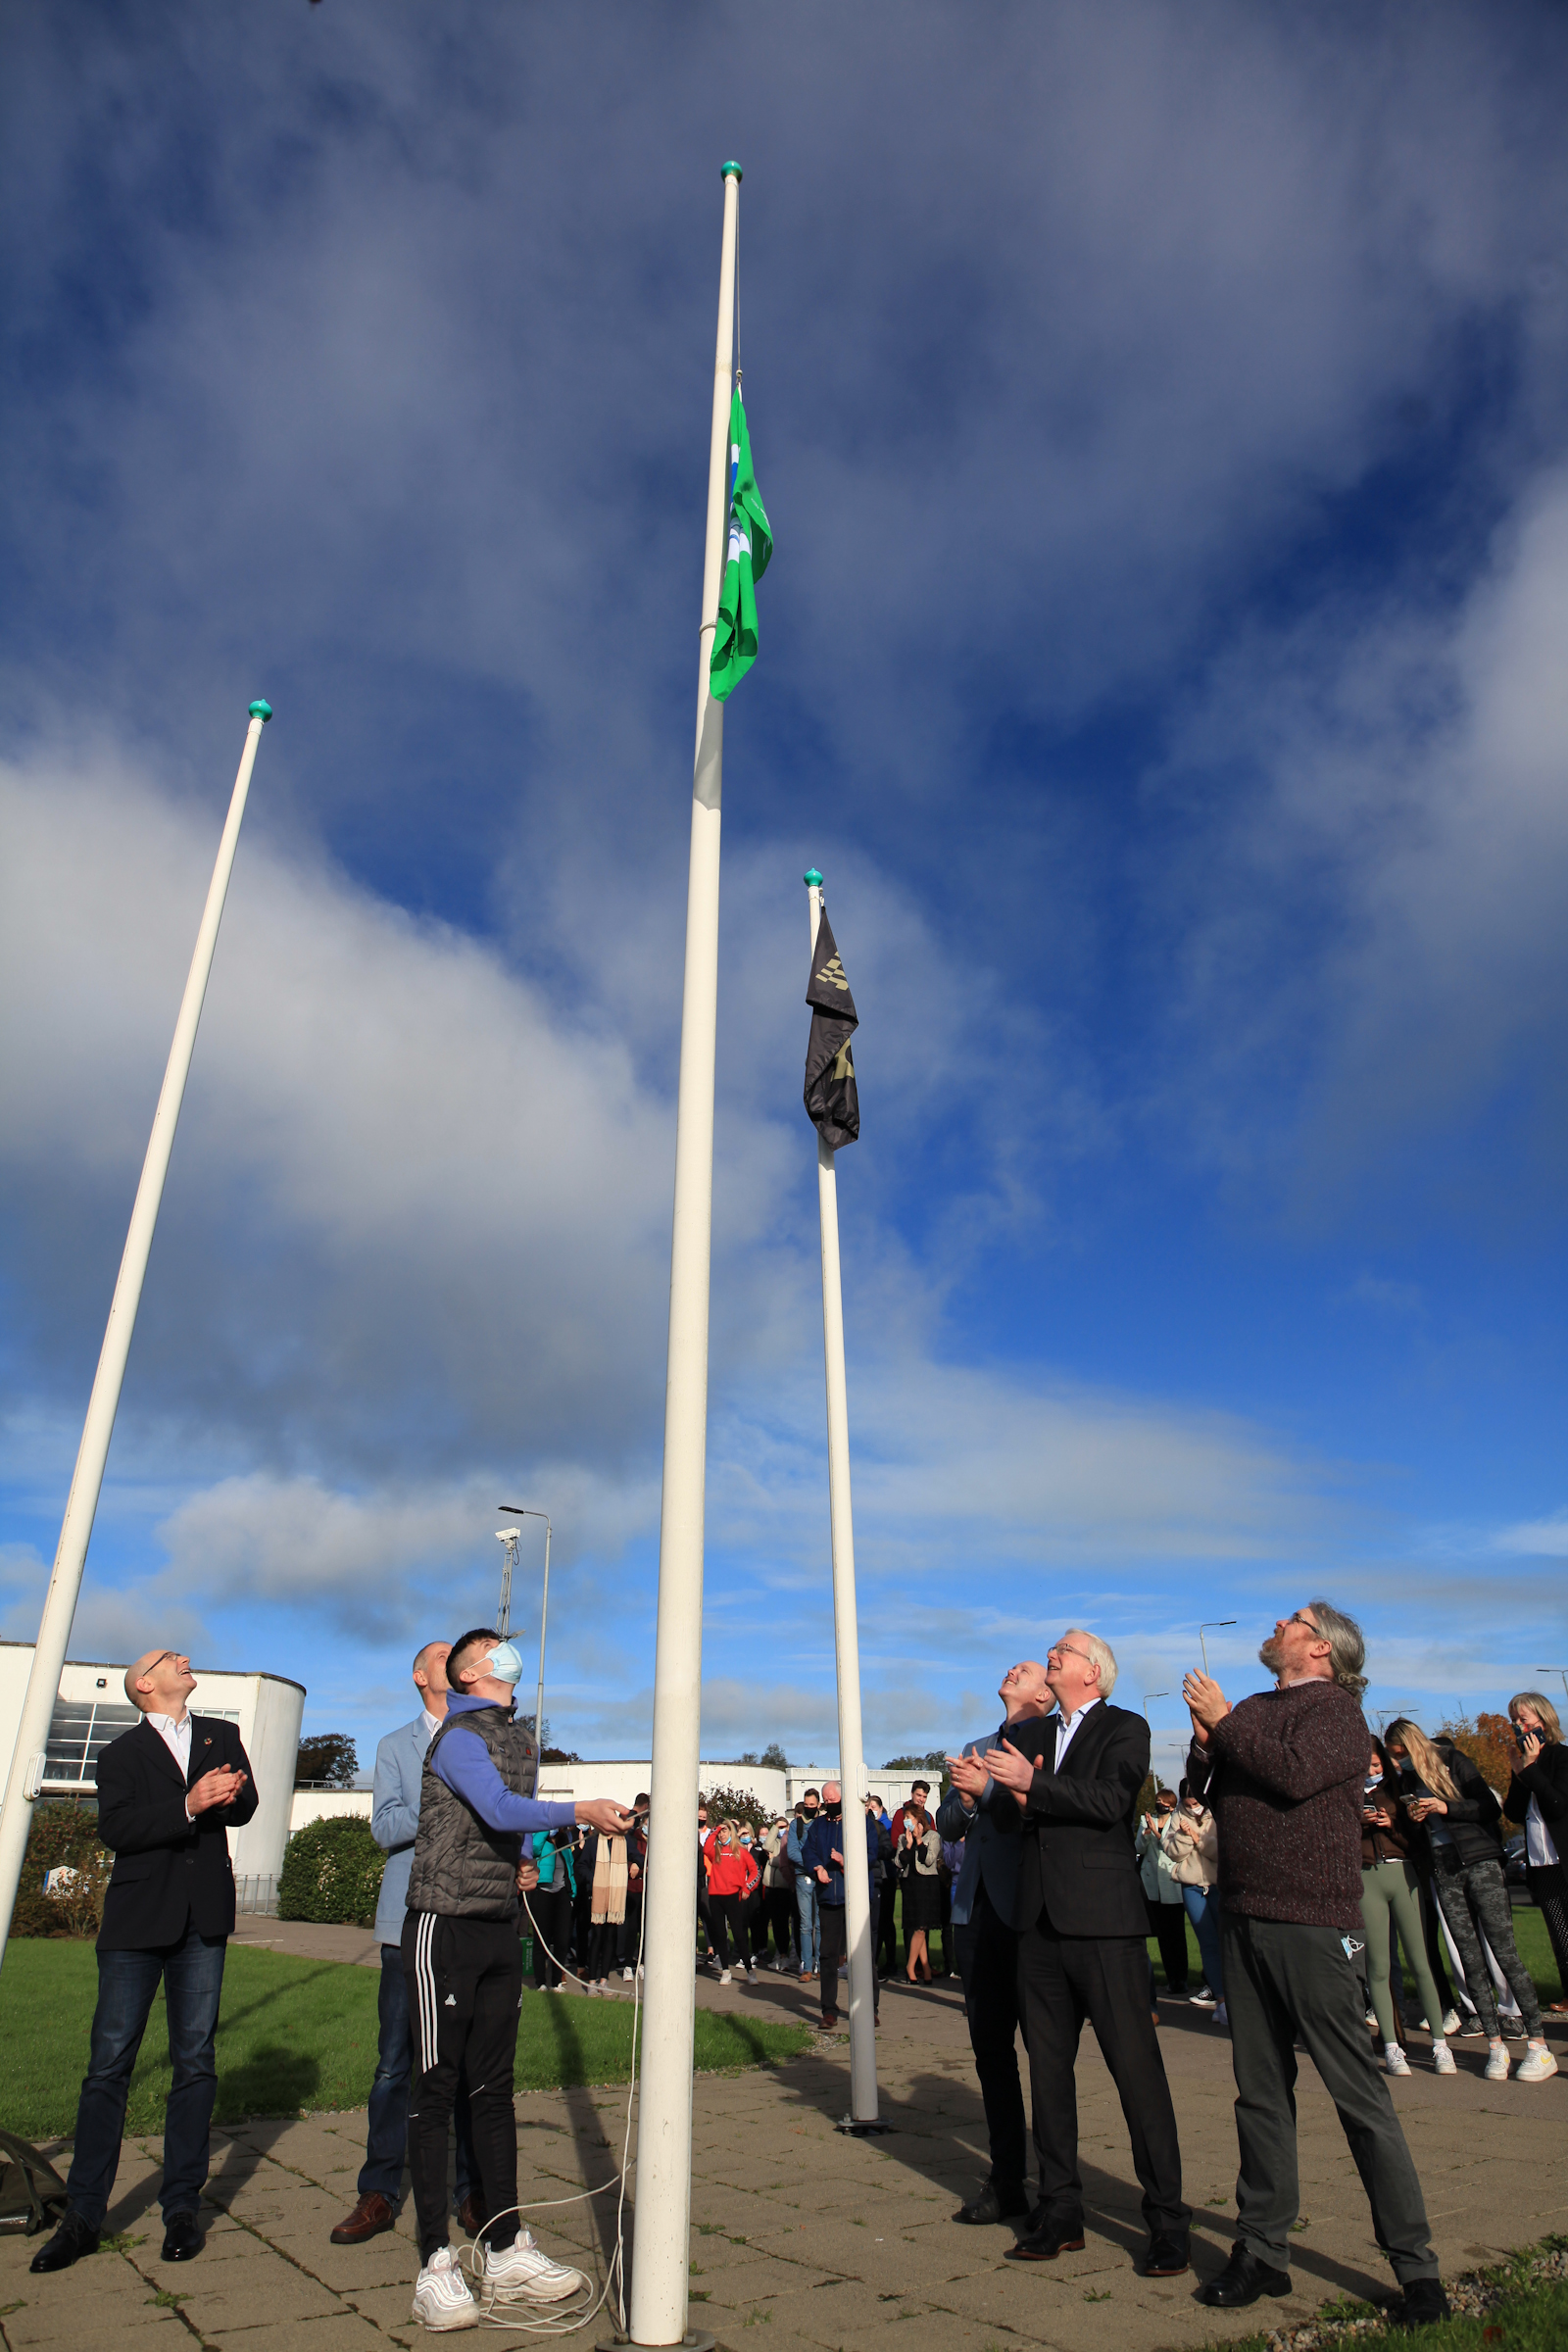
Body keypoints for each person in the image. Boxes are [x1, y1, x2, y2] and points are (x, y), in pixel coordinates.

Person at [1183, 1602, 1447, 2328]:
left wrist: (1227, 1722)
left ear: (1323, 1650)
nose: (1279, 1623)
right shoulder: (1260, 1707)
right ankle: (1262, 2251)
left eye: (1294, 1619)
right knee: (1260, 2095)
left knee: (1357, 2095)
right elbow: (1203, 1790)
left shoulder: (1337, 1712)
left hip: (1313, 1924)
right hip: (1244, 1916)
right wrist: (1207, 1744)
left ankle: (1416, 2268)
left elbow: (1296, 1776)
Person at [401, 1626, 633, 2330]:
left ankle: (504, 2246)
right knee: (437, 2087)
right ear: (471, 1672)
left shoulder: (518, 1737)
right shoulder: (461, 1735)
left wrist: (522, 1864)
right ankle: (435, 2263)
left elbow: (502, 1830)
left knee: (492, 2088)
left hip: (499, 1923)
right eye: (495, 1648)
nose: (508, 1653)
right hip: (445, 1926)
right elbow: (498, 1808)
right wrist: (578, 1811)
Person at [30, 1647, 259, 2275]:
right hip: (136, 1926)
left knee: (195, 2063)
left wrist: (228, 1795)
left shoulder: (223, 1735)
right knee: (109, 2067)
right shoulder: (119, 1755)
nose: (184, 1657)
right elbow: (119, 1830)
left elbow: (246, 1807)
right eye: (168, 1657)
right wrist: (190, 1804)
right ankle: (84, 2214)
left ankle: (180, 2207)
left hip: (203, 1921)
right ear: (145, 1684)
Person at [981, 1630, 1189, 2278]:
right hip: (1037, 1926)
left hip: (1103, 1926)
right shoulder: (1035, 1736)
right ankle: (1059, 2210)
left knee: (1136, 2074)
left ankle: (1166, 2220)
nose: (1053, 1653)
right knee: (1048, 2072)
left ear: (1091, 1674)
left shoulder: (1124, 1728)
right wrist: (994, 1796)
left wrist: (1031, 1788)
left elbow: (1108, 1803)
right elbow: (1019, 1823)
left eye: (1064, 1650)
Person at [330, 1641, 481, 2246]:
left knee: (471, 2064)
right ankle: (379, 2190)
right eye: (440, 1652)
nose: (452, 1656)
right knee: (395, 2063)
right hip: (407, 1922)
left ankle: (473, 2194)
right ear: (421, 1675)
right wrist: (447, 1799)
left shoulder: (486, 1736)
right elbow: (386, 1826)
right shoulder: (396, 1746)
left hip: (470, 1919)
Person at [939, 1657, 1050, 2228]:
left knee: (1047, 2054)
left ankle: (1057, 2186)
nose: (1013, 1670)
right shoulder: (976, 1744)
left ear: (1045, 1694)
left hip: (1026, 1911)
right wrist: (961, 1799)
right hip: (974, 1911)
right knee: (990, 2053)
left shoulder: (1050, 1743)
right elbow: (948, 1826)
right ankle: (1006, 2180)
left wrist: (987, 1792)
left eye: (1026, 1668)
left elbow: (1041, 1814)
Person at [1384, 1717, 1556, 2084]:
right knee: (1468, 1956)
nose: (1401, 1765)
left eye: (1402, 1756)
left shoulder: (1454, 1761)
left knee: (1504, 1952)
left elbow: (1489, 1808)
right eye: (1396, 1760)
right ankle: (1496, 2046)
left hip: (1480, 1862)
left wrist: (1446, 1807)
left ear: (1412, 1745)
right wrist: (1413, 1819)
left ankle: (1539, 2045)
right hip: (1444, 1869)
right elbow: (1415, 1836)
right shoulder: (1408, 1781)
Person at [1356, 1740, 1455, 2079]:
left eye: (1376, 1764)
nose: (1373, 1771)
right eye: (1366, 1766)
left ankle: (1441, 2045)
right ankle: (1391, 2046)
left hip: (1403, 1873)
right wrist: (1356, 1823)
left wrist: (1390, 1825)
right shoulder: (1345, 1795)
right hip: (1366, 1878)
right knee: (1378, 1966)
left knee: (1421, 1962)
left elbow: (1416, 1840)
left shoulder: (1398, 1789)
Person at [801, 1781, 881, 2034]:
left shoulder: (860, 1821)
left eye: (833, 1799)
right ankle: (829, 2010)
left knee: (863, 1955)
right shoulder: (818, 1826)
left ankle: (870, 2008)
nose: (829, 1804)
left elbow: (872, 1852)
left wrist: (847, 1860)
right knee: (827, 1955)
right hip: (829, 1898)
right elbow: (807, 1851)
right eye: (826, 1800)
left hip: (855, 1897)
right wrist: (818, 1867)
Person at [1506, 1692, 1568, 2014]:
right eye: (1514, 1721)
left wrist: (1532, 1771)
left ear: (1543, 1722)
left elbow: (1558, 1806)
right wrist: (1519, 1776)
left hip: (1563, 1861)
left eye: (1524, 1720)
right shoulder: (1525, 1764)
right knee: (1559, 1934)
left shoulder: (1562, 1758)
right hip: (1541, 1863)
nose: (1518, 1726)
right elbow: (1515, 1813)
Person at [1163, 1790, 1226, 2024]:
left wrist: (1198, 1838)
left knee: (1227, 1943)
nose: (1192, 1804)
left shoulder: (1215, 1813)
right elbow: (1173, 1853)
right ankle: (1221, 2001)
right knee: (1208, 1943)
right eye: (1188, 1800)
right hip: (1191, 1886)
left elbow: (1221, 1851)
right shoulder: (1176, 1817)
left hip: (1217, 1885)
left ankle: (1237, 1996)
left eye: (1196, 1799)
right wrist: (1183, 1835)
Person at [1136, 1790, 1190, 2008]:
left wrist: (1159, 1836)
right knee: (1162, 1935)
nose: (1160, 1805)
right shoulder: (1145, 1821)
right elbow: (1138, 1848)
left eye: (1164, 1803)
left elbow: (1173, 1849)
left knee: (1177, 1933)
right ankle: (1170, 1978)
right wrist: (1146, 1833)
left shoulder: (1178, 1820)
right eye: (1158, 1802)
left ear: (1172, 1804)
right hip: (1152, 1885)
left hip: (1171, 1881)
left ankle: (1181, 1978)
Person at [706, 1822, 760, 1982]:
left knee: (738, 1935)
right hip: (715, 1897)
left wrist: (747, 1888)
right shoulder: (714, 1851)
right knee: (720, 1935)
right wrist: (715, 1830)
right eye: (720, 1832)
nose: (722, 1834)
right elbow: (707, 1845)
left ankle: (750, 1972)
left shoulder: (740, 1852)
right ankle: (725, 1971)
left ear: (731, 1832)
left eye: (725, 1831)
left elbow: (755, 1871)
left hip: (733, 1898)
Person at [896, 1799, 943, 1983]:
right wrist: (908, 1845)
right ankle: (925, 1970)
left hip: (927, 1884)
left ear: (918, 1818)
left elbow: (929, 1860)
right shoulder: (902, 1837)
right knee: (918, 1927)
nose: (905, 1821)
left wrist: (919, 1840)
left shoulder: (932, 1836)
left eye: (908, 1817)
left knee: (923, 1927)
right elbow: (899, 1862)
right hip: (911, 1884)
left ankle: (911, 1966)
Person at [526, 1826, 576, 1989]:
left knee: (562, 1941)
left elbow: (570, 1867)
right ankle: (540, 1982)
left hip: (561, 1893)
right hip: (542, 1892)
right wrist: (544, 1830)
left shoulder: (564, 1843)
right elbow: (533, 1849)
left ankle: (556, 1982)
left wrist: (572, 1892)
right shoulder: (541, 1841)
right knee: (542, 1940)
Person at [787, 1790, 821, 1982]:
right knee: (805, 1924)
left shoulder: (824, 1823)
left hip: (821, 1877)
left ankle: (821, 1965)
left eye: (812, 1804)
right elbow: (792, 1851)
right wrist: (811, 1864)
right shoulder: (796, 1826)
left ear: (818, 1804)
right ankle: (807, 1967)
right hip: (803, 1877)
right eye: (806, 1805)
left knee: (821, 1923)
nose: (809, 1808)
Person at [617, 1793, 649, 1983]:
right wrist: (634, 1865)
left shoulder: (654, 1842)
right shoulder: (632, 1839)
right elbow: (627, 1857)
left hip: (648, 1891)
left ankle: (642, 1963)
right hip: (632, 1889)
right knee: (631, 1928)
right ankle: (628, 1965)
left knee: (645, 1929)